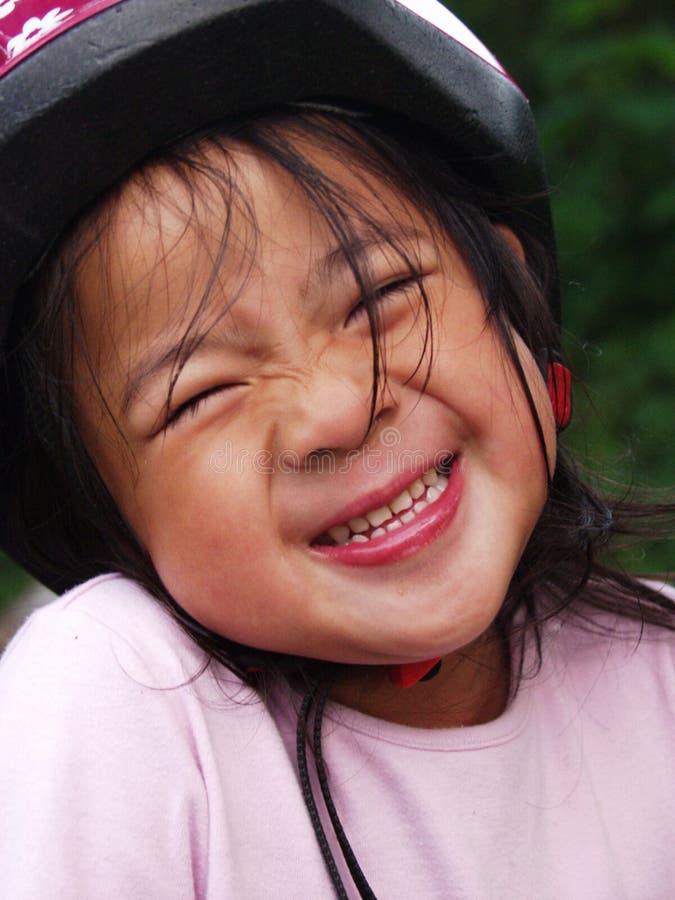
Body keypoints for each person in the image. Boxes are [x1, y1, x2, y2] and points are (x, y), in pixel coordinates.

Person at [0, 1, 672, 897]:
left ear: (510, 295)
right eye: (202, 392)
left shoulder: (657, 682)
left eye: (378, 294)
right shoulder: (121, 694)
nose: (336, 411)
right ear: (101, 506)